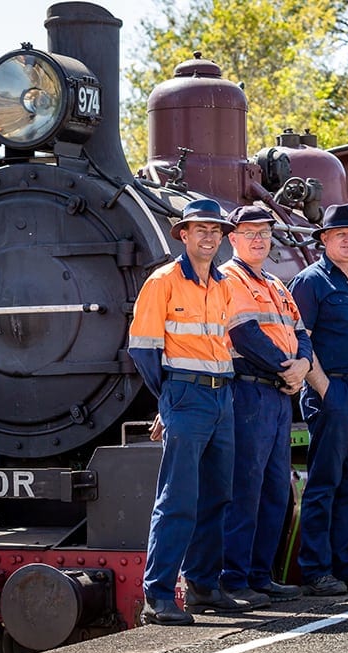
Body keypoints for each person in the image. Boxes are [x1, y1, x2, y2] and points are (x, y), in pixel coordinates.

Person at [128, 198, 249, 625]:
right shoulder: (162, 282)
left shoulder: (222, 285)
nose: (209, 236)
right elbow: (143, 349)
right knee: (178, 499)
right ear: (183, 234)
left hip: (221, 399)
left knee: (218, 496)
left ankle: (202, 585)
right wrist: (171, 399)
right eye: (200, 229)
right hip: (186, 396)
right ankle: (158, 595)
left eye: (215, 230)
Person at [288, 203, 348, 596]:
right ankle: (316, 569)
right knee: (325, 482)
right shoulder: (310, 282)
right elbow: (301, 339)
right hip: (335, 392)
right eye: (340, 234)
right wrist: (324, 386)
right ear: (324, 240)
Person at [218, 205, 310, 606]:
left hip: (277, 395)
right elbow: (244, 335)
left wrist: (303, 364)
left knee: (276, 489)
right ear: (232, 239)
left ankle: (260, 576)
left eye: (264, 232)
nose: (258, 239)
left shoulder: (276, 283)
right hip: (249, 392)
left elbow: (301, 331)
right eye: (249, 232)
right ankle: (234, 580)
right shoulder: (229, 278)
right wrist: (288, 370)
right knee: (246, 489)